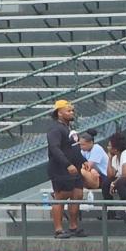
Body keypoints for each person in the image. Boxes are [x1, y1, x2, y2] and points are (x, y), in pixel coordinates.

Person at [44, 99, 87, 238]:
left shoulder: (68, 128)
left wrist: (83, 161)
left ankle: (73, 226)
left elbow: (73, 148)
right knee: (61, 197)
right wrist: (67, 164)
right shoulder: (55, 129)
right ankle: (58, 229)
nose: (71, 112)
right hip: (60, 169)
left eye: (72, 110)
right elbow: (54, 148)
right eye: (68, 110)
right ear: (59, 113)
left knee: (77, 195)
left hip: (76, 168)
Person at [77, 129, 110, 201]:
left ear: (91, 143)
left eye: (83, 145)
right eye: (80, 145)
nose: (81, 147)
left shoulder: (97, 148)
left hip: (105, 177)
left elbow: (87, 167)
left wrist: (91, 170)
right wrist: (92, 170)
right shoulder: (83, 151)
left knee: (81, 171)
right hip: (95, 176)